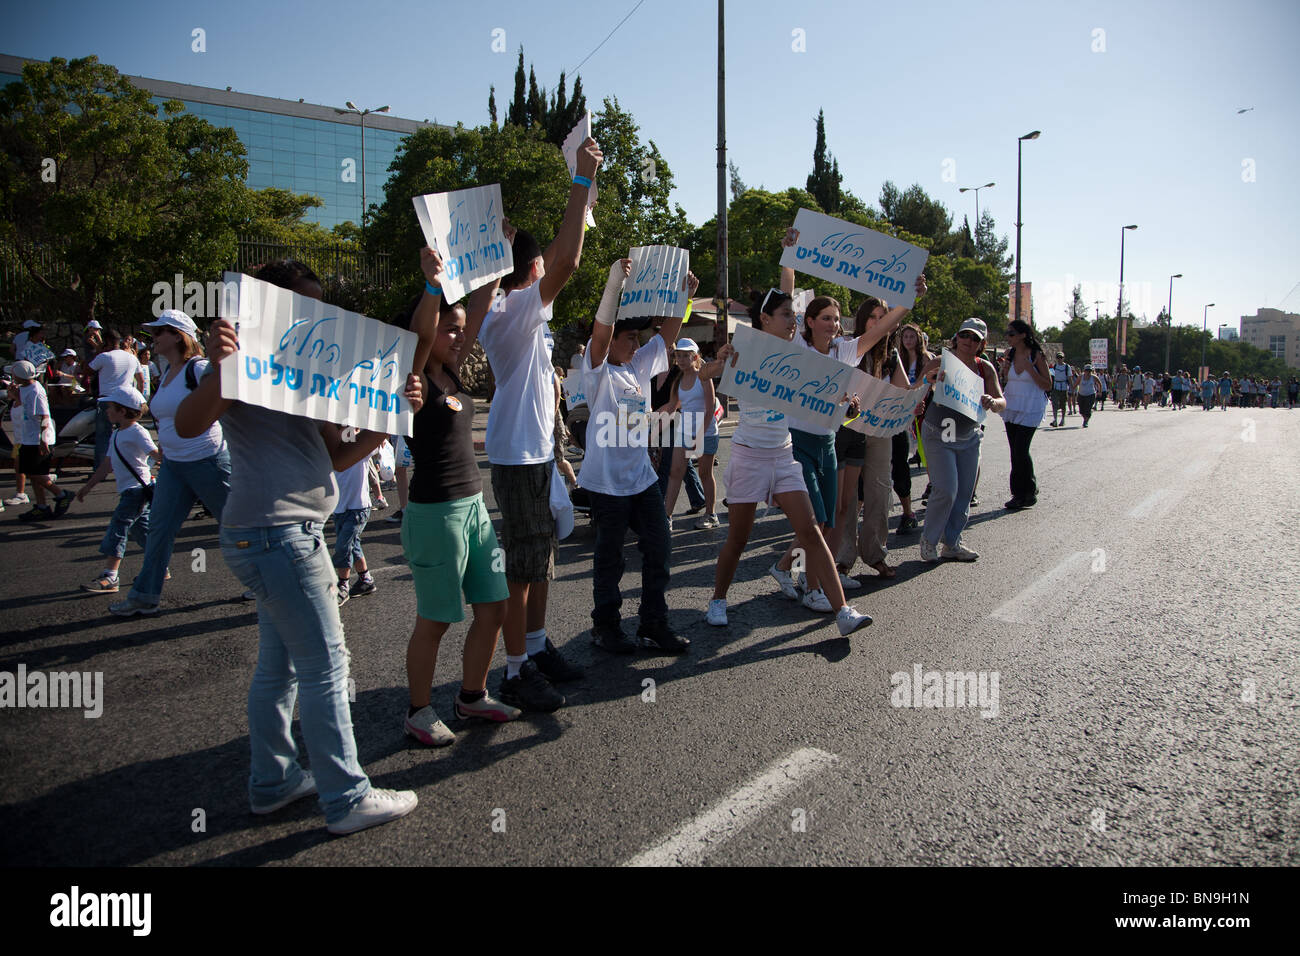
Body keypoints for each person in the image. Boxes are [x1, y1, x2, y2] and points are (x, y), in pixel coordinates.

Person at [174, 258, 422, 835]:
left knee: (281, 668)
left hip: (277, 534)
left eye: (319, 304)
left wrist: (392, 415)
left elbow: (336, 457)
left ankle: (273, 781)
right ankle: (346, 798)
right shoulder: (246, 364)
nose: (317, 314)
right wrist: (219, 368)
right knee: (328, 669)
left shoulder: (304, 372)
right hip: (279, 535)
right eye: (304, 303)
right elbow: (188, 425)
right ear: (271, 308)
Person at [472, 139, 601, 705]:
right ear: (527, 271)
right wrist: (579, 180)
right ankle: (515, 670)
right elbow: (568, 259)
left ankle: (538, 643)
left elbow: (563, 256)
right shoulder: (509, 312)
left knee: (542, 559)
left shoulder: (518, 312)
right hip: (518, 454)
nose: (552, 266)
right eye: (540, 261)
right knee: (522, 566)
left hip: (537, 451)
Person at [402, 247, 521, 746]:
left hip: (473, 508)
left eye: (458, 329)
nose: (457, 337)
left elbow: (472, 316)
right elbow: (423, 334)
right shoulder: (413, 377)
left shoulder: (451, 371)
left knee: (493, 605)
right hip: (435, 515)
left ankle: (471, 695)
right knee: (437, 618)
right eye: (447, 330)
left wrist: (495, 265)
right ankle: (418, 711)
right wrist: (432, 285)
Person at [707, 288, 874, 636]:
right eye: (786, 314)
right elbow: (698, 375)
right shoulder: (745, 348)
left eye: (794, 316)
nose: (792, 321)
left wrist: (845, 404)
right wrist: (718, 363)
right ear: (765, 318)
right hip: (749, 455)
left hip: (784, 455)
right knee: (738, 538)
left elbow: (825, 396)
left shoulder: (798, 351)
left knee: (812, 533)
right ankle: (718, 600)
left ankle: (843, 610)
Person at [578, 259, 693, 654]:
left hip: (641, 478)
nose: (636, 344)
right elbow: (600, 331)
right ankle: (606, 626)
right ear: (611, 341)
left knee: (658, 549)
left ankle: (653, 624)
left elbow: (667, 337)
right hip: (606, 482)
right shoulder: (596, 371)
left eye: (636, 339)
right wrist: (614, 285)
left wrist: (683, 298)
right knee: (610, 559)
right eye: (628, 337)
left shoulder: (638, 367)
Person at [109, 310, 235, 617]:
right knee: (159, 531)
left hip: (208, 460)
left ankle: (268, 586)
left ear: (178, 336)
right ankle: (144, 596)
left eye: (158, 333)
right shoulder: (166, 373)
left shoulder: (200, 368)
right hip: (174, 465)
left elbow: (225, 401)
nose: (152, 339)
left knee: (239, 527)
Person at [917, 319, 1005, 561]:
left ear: (982, 344)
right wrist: (927, 384)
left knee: (965, 492)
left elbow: (1001, 400)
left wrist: (992, 402)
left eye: (975, 338)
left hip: (969, 435)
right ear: (956, 337)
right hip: (939, 432)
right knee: (946, 489)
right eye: (965, 335)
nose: (969, 341)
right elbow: (915, 390)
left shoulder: (984, 368)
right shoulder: (939, 361)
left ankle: (952, 542)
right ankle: (929, 540)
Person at [76, 385, 159, 593]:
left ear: (123, 411)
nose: (107, 411)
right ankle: (159, 567)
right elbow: (106, 465)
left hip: (136, 491)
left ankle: (110, 576)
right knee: (143, 532)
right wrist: (87, 487)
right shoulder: (116, 433)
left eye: (111, 407)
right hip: (131, 490)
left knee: (118, 530)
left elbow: (157, 455)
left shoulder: (138, 432)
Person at [662, 337, 721, 530]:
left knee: (705, 473)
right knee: (675, 472)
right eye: (678, 355)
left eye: (685, 356)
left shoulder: (703, 376)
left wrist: (699, 436)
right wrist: (650, 426)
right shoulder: (677, 379)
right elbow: (672, 407)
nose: (680, 359)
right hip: (684, 431)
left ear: (695, 357)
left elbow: (710, 408)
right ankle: (667, 517)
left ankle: (711, 515)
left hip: (706, 432)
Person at [8, 360, 74, 520]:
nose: (12, 376)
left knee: (33, 473)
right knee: (34, 473)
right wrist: (16, 396)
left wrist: (43, 440)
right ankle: (41, 506)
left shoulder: (36, 390)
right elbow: (27, 410)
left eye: (14, 374)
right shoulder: (24, 389)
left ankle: (61, 494)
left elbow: (44, 415)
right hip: (28, 437)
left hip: (37, 439)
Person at [999, 319, 1050, 510]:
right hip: (1012, 405)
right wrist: (1004, 370)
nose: (1008, 337)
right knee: (1015, 451)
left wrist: (1030, 369)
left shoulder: (1036, 355)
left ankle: (1025, 492)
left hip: (1031, 406)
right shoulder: (1010, 354)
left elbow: (1047, 384)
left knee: (1021, 449)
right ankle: (1022, 492)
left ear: (1022, 335)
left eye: (1011, 334)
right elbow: (1006, 379)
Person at [888, 323, 930, 536]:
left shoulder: (925, 359)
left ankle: (908, 512)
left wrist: (912, 402)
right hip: (881, 417)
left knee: (901, 464)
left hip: (908, 414)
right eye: (904, 336)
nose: (908, 340)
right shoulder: (893, 356)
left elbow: (915, 387)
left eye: (911, 336)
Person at [89, 329, 145, 469]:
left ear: (106, 341)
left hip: (106, 400)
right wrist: (137, 398)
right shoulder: (132, 357)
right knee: (127, 433)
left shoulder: (104, 356)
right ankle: (127, 465)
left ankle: (100, 469)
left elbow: (86, 371)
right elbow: (141, 380)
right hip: (126, 401)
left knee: (103, 436)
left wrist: (98, 350)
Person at [331, 458, 374, 607]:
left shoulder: (361, 445)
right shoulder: (333, 446)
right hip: (338, 508)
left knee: (343, 546)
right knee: (353, 543)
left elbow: (376, 438)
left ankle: (343, 585)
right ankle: (366, 579)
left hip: (358, 507)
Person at [1048, 352, 1070, 426]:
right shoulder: (1054, 367)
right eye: (1058, 358)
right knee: (1054, 404)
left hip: (1064, 387)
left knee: (1063, 404)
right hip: (1055, 387)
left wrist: (1072, 387)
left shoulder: (1067, 367)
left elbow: (1069, 378)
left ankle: (1063, 419)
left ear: (1063, 358)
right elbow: (1051, 378)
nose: (1059, 359)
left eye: (1061, 357)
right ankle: (1055, 420)